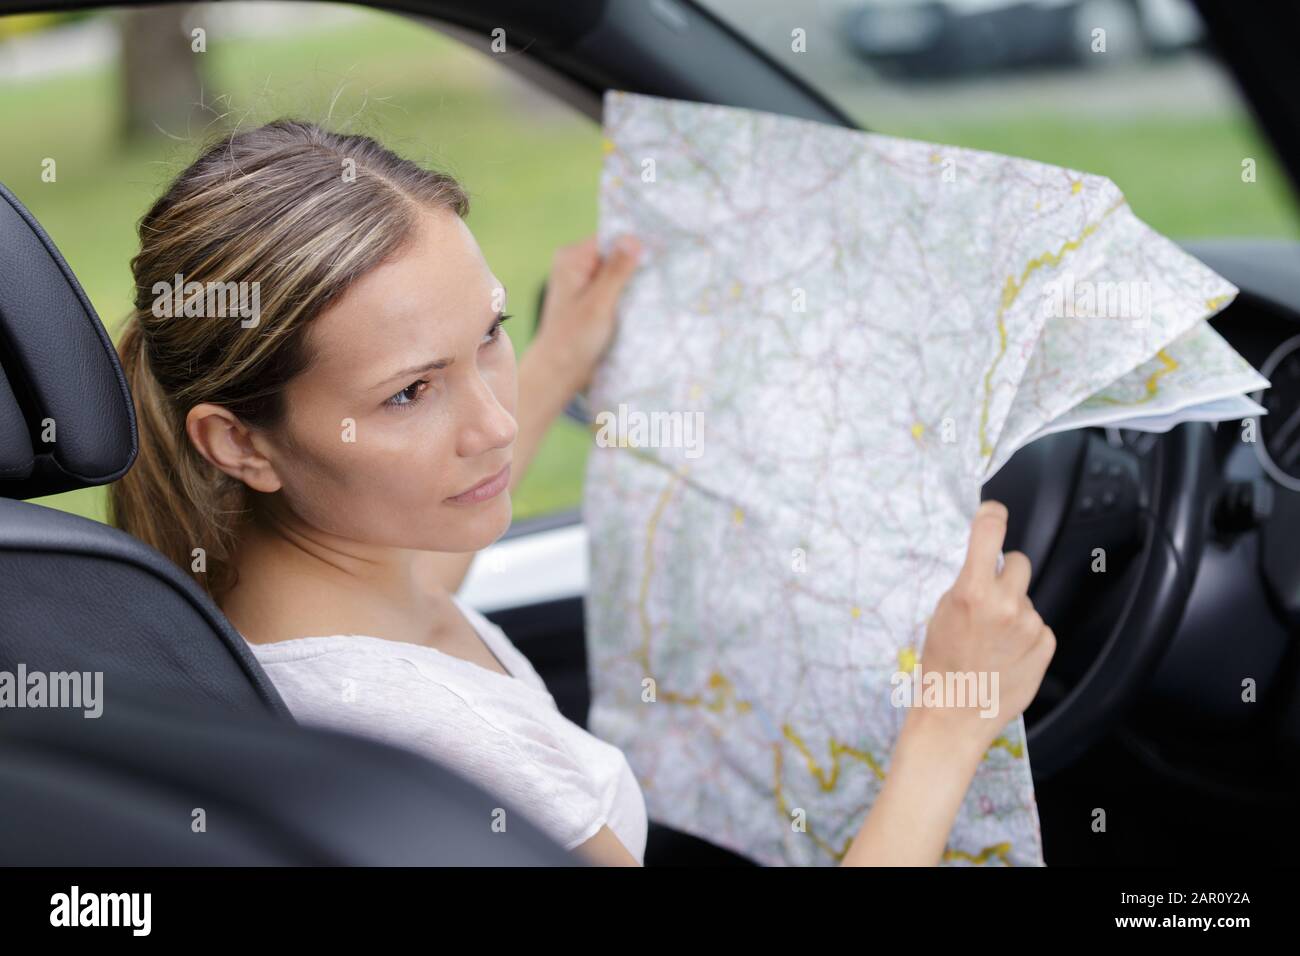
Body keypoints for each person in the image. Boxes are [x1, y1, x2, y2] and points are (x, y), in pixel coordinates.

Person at [109, 119, 1055, 866]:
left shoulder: (283, 611)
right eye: (409, 392)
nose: (497, 424)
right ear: (240, 442)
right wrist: (952, 715)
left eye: (489, 333)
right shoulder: (446, 755)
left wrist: (561, 354)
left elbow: (427, 594)